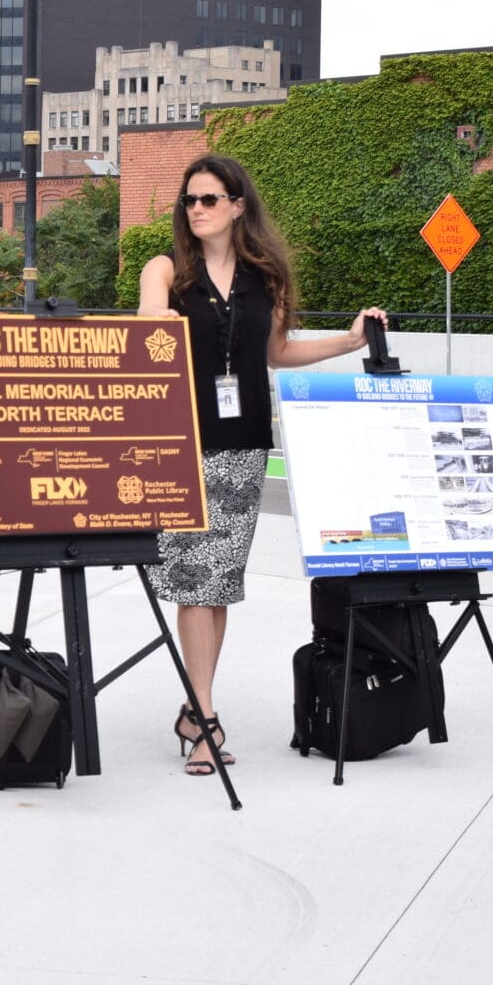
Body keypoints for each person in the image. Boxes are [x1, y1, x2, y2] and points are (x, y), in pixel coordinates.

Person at [137, 155, 386, 775]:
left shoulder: (265, 278)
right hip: (181, 444)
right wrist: (160, 324)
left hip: (245, 445)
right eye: (189, 200)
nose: (196, 209)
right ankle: (205, 716)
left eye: (209, 199)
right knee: (195, 583)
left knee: (218, 587)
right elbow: (146, 331)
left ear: (238, 206)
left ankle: (196, 711)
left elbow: (276, 351)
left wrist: (350, 341)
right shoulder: (165, 270)